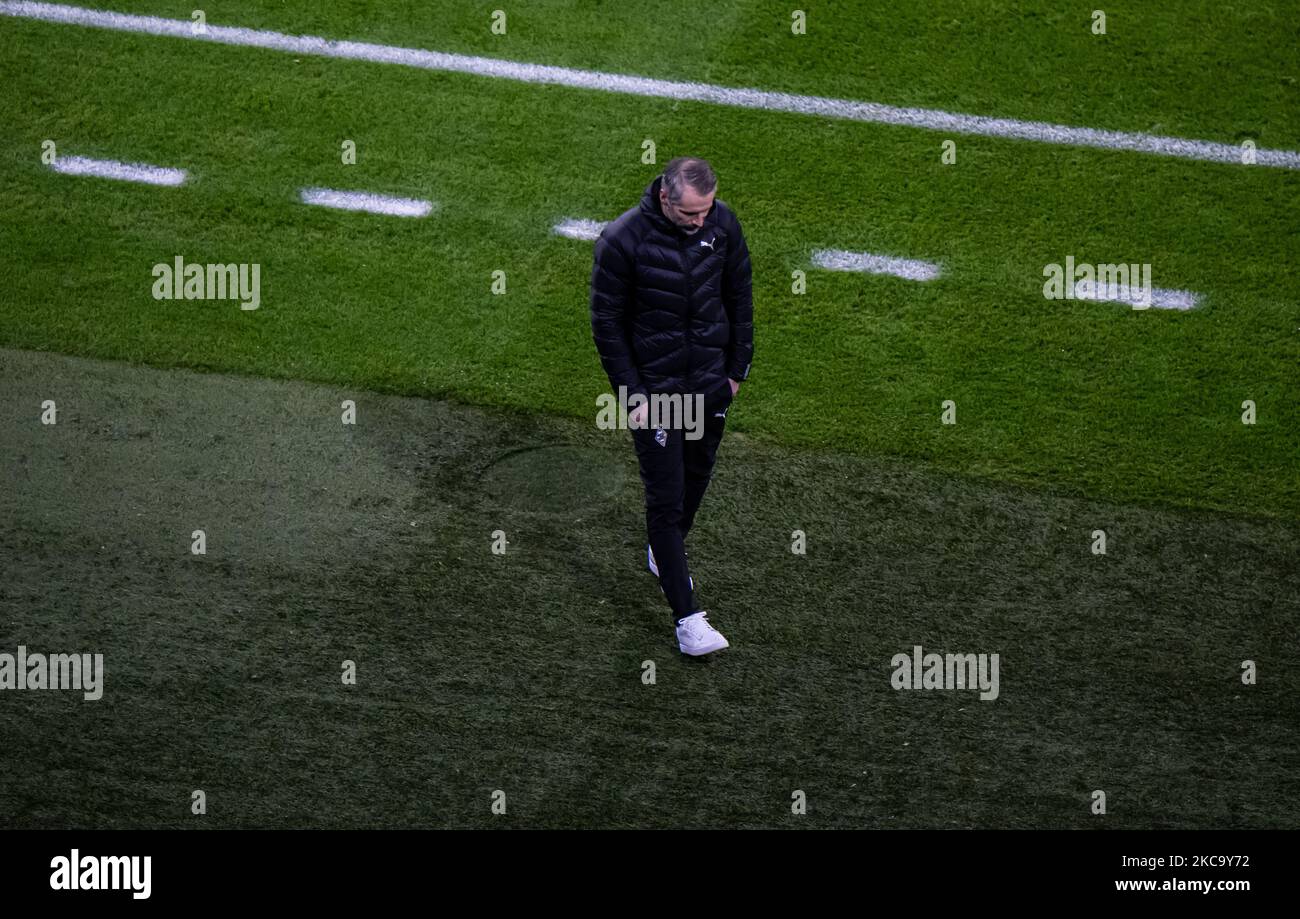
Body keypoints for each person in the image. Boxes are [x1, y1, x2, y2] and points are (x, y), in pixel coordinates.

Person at [590, 156, 753, 655]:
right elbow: (608, 326)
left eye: (706, 212)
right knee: (666, 497)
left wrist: (736, 372)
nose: (702, 222)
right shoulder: (621, 241)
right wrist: (632, 396)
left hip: (710, 386)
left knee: (697, 478)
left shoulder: (722, 223)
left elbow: (739, 295)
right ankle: (687, 621)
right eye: (691, 214)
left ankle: (665, 552)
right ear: (665, 198)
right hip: (658, 396)